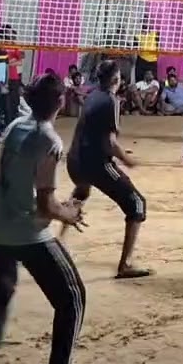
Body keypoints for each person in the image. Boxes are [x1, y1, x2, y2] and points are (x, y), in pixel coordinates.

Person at [0, 74, 94, 364]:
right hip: (26, 232)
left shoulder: (16, 125)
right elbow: (47, 206)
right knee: (73, 298)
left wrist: (57, 208)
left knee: (3, 287)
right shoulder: (49, 140)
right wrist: (69, 212)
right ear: (61, 102)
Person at [64, 61, 151, 279]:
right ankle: (126, 264)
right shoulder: (111, 100)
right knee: (137, 204)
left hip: (75, 160)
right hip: (96, 164)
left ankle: (58, 242)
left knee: (81, 193)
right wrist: (126, 159)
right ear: (116, 79)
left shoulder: (92, 95)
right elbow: (111, 143)